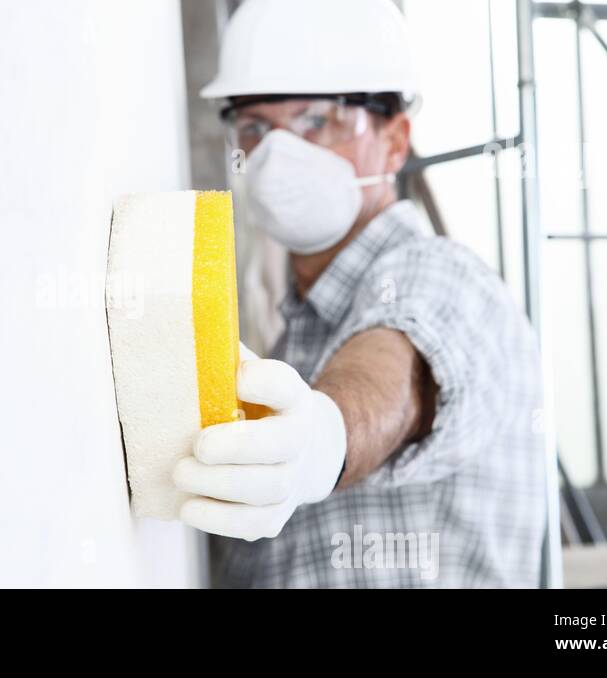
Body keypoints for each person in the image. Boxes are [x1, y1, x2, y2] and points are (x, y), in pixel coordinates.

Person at [172, 0, 547, 587]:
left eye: (316, 120)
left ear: (395, 140)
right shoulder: (291, 339)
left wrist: (323, 439)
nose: (276, 155)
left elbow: (398, 368)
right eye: (255, 128)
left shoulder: (445, 274)